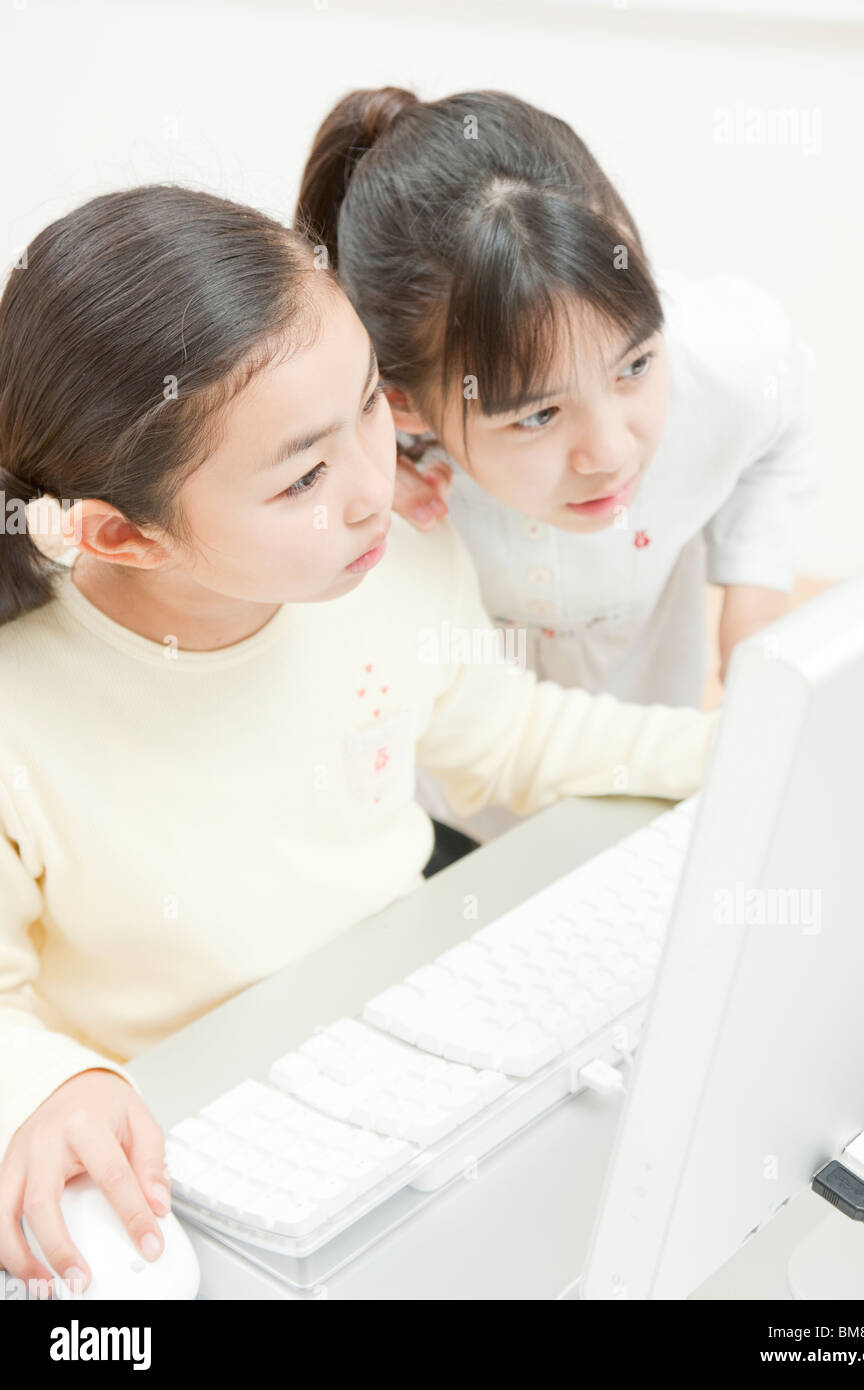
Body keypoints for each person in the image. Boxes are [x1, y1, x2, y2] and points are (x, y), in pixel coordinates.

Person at [0, 185, 717, 1296]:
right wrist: (50, 1085)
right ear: (120, 536)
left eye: (372, 409)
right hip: (197, 1137)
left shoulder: (391, 568)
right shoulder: (24, 713)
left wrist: (738, 753)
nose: (377, 489)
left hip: (401, 1053)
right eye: (303, 477)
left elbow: (509, 737)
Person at [295, 86, 820, 843]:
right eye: (535, 415)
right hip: (444, 815)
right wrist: (349, 479)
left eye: (634, 365)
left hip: (653, 775)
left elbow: (784, 429)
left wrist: (753, 602)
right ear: (405, 405)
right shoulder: (372, 478)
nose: (609, 453)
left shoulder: (726, 366)